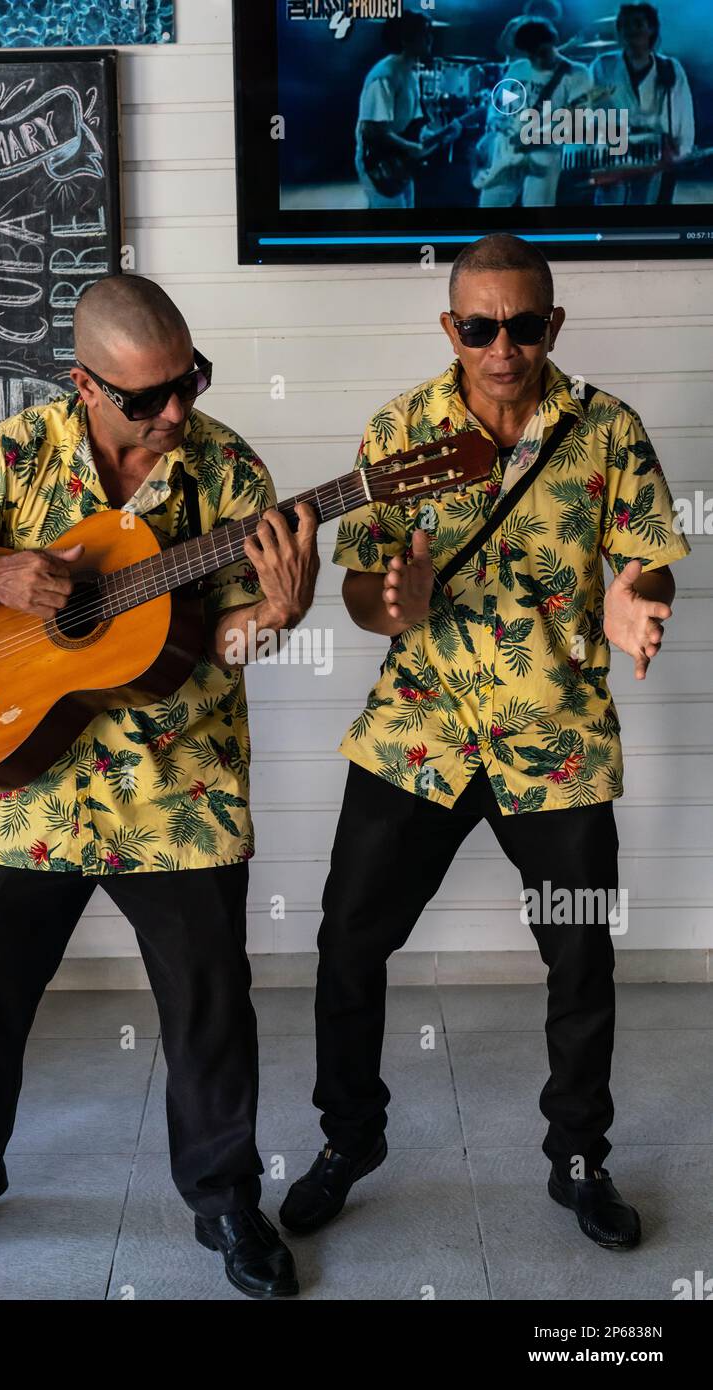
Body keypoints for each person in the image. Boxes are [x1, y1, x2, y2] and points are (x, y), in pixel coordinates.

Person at [0, 274, 319, 1301]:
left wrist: (283, 613)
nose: (176, 413)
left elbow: (237, 639)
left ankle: (225, 1203)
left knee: (209, 1002)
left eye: (189, 382)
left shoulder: (227, 472)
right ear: (83, 382)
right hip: (26, 784)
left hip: (178, 789)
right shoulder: (14, 456)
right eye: (148, 396)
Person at [280, 234, 691, 1251]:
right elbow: (359, 584)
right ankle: (349, 1138)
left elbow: (648, 561)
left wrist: (639, 599)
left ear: (554, 324)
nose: (501, 346)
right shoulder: (401, 430)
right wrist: (390, 600)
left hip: (556, 740)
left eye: (522, 325)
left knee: (580, 953)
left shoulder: (607, 432)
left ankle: (579, 1158)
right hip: (421, 730)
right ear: (450, 327)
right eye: (479, 326)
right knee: (347, 939)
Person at [476, 19, 591, 207]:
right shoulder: (517, 68)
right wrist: (496, 121)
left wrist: (536, 140)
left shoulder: (576, 74)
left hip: (543, 156)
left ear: (554, 42)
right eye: (531, 55)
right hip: (506, 152)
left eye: (543, 53)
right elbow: (500, 107)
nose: (538, 60)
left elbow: (576, 124)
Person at [355, 10, 462, 210]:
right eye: (424, 33)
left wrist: (438, 135)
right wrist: (410, 147)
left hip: (398, 161)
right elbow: (372, 130)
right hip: (379, 163)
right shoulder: (385, 75)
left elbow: (412, 126)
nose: (430, 38)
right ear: (406, 40)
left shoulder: (409, 71)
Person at [591, 3, 695, 206]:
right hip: (613, 149)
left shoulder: (670, 68)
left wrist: (681, 150)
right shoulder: (603, 66)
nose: (632, 30)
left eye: (638, 24)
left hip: (654, 152)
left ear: (652, 29)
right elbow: (590, 108)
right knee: (608, 205)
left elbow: (683, 110)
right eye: (625, 25)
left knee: (644, 206)